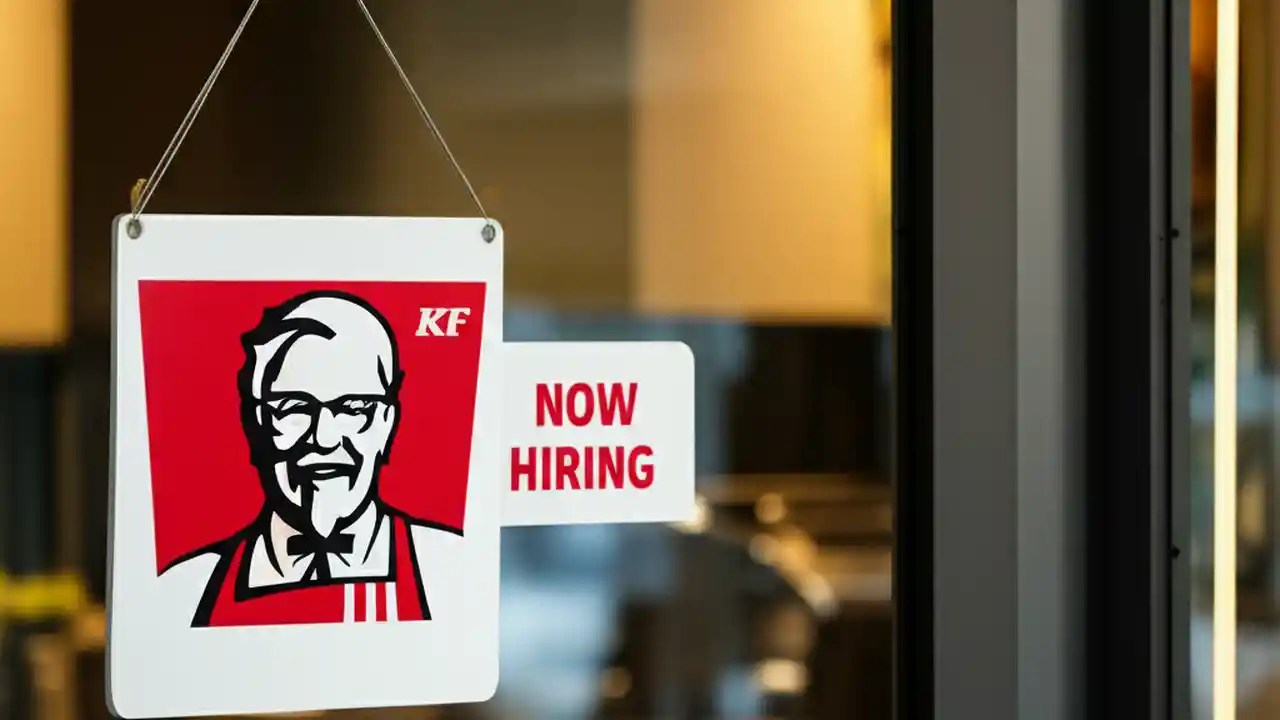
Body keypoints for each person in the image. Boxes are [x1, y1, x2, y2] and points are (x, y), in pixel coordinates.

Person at [161, 290, 460, 627]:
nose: (324, 437)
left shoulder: (448, 569)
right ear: (257, 423)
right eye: (295, 408)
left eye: (353, 408)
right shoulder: (189, 588)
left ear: (387, 423)